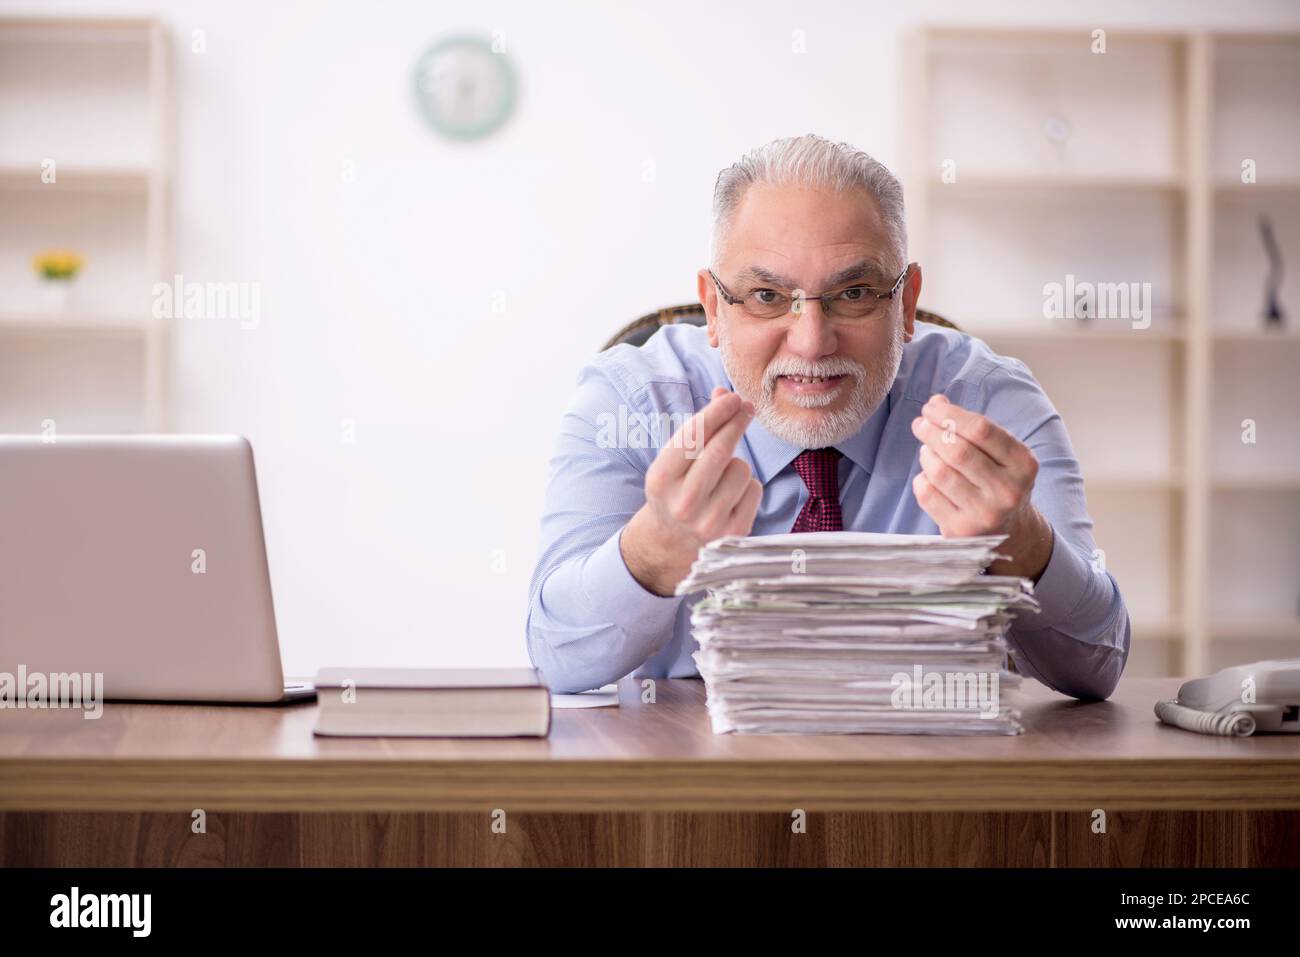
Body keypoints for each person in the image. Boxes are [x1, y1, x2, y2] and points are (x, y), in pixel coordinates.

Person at [526, 133, 1130, 700]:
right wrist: (654, 552)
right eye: (766, 297)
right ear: (713, 308)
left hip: (926, 783)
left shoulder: (988, 401)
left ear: (907, 302)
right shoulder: (632, 401)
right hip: (688, 787)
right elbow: (556, 656)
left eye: (854, 294)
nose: (812, 343)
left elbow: (1096, 667)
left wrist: (1023, 545)